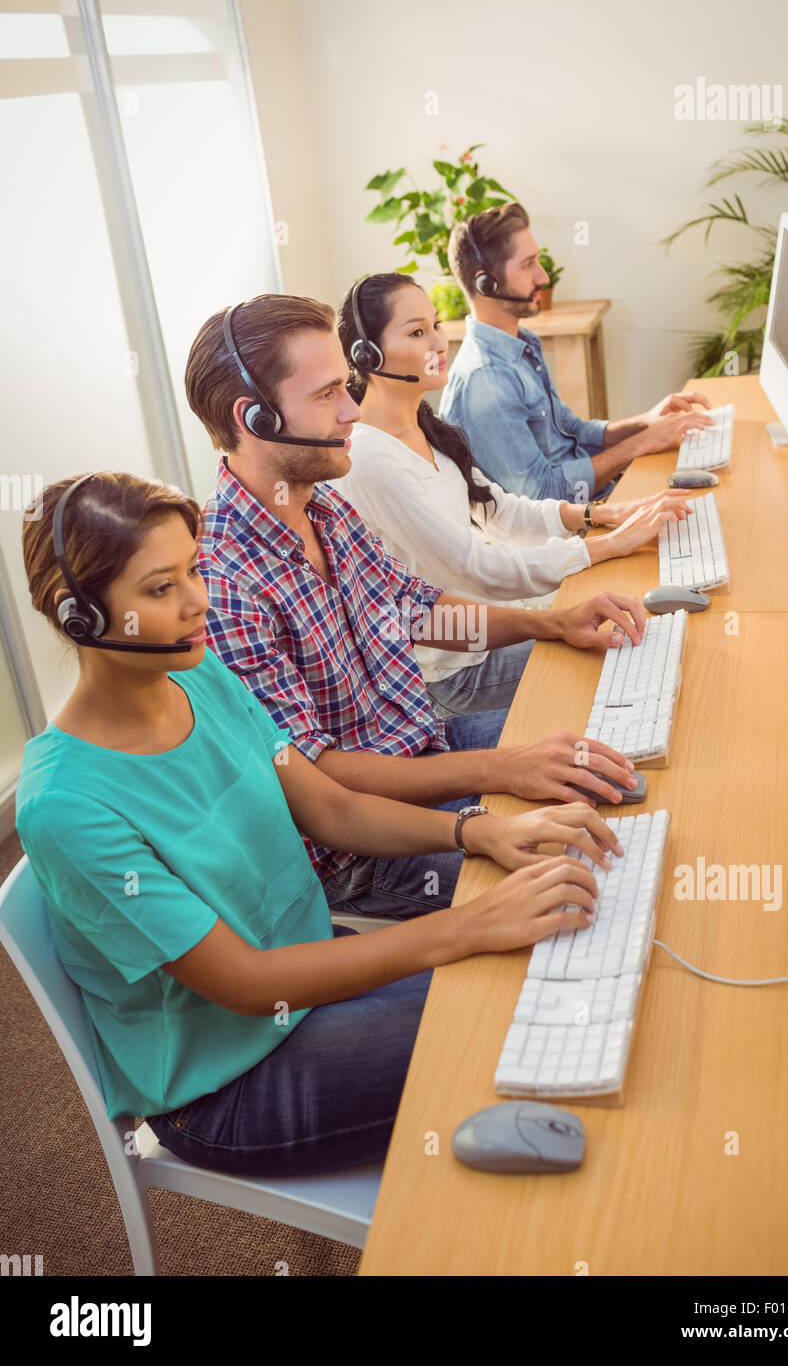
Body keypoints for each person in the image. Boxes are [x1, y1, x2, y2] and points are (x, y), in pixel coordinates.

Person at [15, 470, 622, 1175]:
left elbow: (328, 808)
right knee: (525, 1017)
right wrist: (468, 924)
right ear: (78, 616)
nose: (197, 604)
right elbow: (245, 982)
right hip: (232, 1080)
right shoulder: (67, 804)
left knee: (545, 965)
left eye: (192, 571)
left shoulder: (197, 676)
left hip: (311, 976)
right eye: (161, 588)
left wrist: (475, 831)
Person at [185, 293, 647, 921]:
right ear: (255, 419)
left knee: (613, 744)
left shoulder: (322, 506)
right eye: (326, 396)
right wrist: (502, 767)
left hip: (426, 746)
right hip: (367, 852)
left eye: (346, 388)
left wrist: (553, 623)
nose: (352, 411)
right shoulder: (222, 583)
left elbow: (419, 612)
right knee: (593, 878)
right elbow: (328, 779)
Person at [333, 272, 695, 717]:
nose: (439, 342)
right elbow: (476, 568)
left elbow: (502, 508)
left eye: (436, 324)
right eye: (416, 332)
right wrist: (608, 545)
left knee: (652, 613)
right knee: (639, 650)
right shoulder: (370, 459)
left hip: (509, 614)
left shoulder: (424, 425)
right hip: (459, 670)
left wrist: (604, 515)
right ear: (367, 355)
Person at [439, 202, 714, 502]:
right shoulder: (486, 380)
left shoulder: (518, 346)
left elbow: (571, 432)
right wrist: (642, 443)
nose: (543, 277)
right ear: (486, 283)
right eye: (527, 264)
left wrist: (646, 423)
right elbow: (543, 495)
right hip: (569, 533)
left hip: (594, 505)